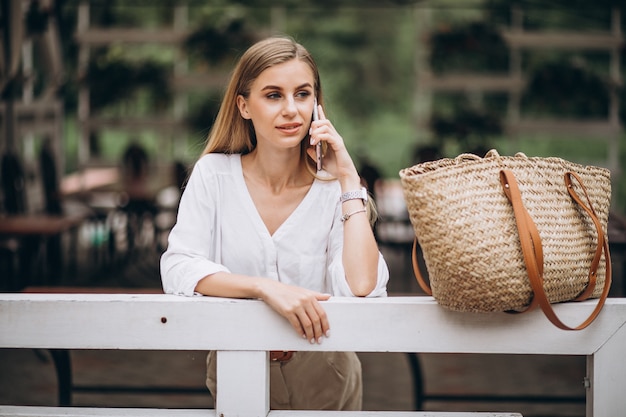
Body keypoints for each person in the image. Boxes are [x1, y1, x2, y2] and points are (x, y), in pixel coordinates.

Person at [160, 36, 389, 410]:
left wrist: (349, 178)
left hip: (325, 369)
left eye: (302, 94)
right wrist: (264, 288)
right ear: (244, 105)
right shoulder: (214, 176)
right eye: (273, 95)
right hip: (237, 362)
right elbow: (179, 266)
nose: (291, 110)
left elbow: (362, 286)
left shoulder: (334, 189)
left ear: (317, 105)